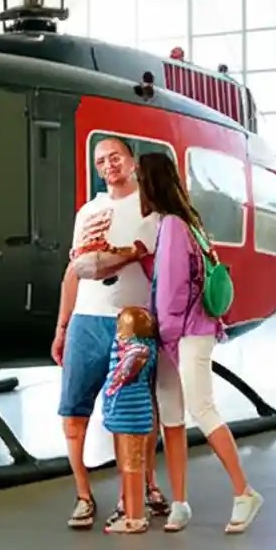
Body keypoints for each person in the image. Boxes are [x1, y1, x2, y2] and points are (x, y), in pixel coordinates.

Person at [137, 151, 264, 534]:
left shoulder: (173, 226)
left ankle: (244, 492)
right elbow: (176, 276)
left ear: (150, 185)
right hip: (186, 332)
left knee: (201, 410)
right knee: (172, 417)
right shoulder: (187, 223)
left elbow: (172, 291)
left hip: (182, 334)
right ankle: (180, 504)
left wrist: (163, 335)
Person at [52, 136, 169, 529]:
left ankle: (139, 490)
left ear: (132, 161)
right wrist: (62, 326)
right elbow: (75, 270)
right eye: (101, 160)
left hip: (134, 323)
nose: (108, 165)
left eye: (115, 157)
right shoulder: (89, 211)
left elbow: (142, 265)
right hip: (87, 320)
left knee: (135, 414)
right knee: (73, 412)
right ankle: (83, 495)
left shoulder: (153, 211)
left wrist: (108, 257)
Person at [100, 305, 159, 535]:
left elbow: (121, 375)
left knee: (132, 465)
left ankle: (134, 517)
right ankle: (131, 511)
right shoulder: (142, 348)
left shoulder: (136, 351)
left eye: (121, 327)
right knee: (130, 464)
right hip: (130, 414)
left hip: (130, 414)